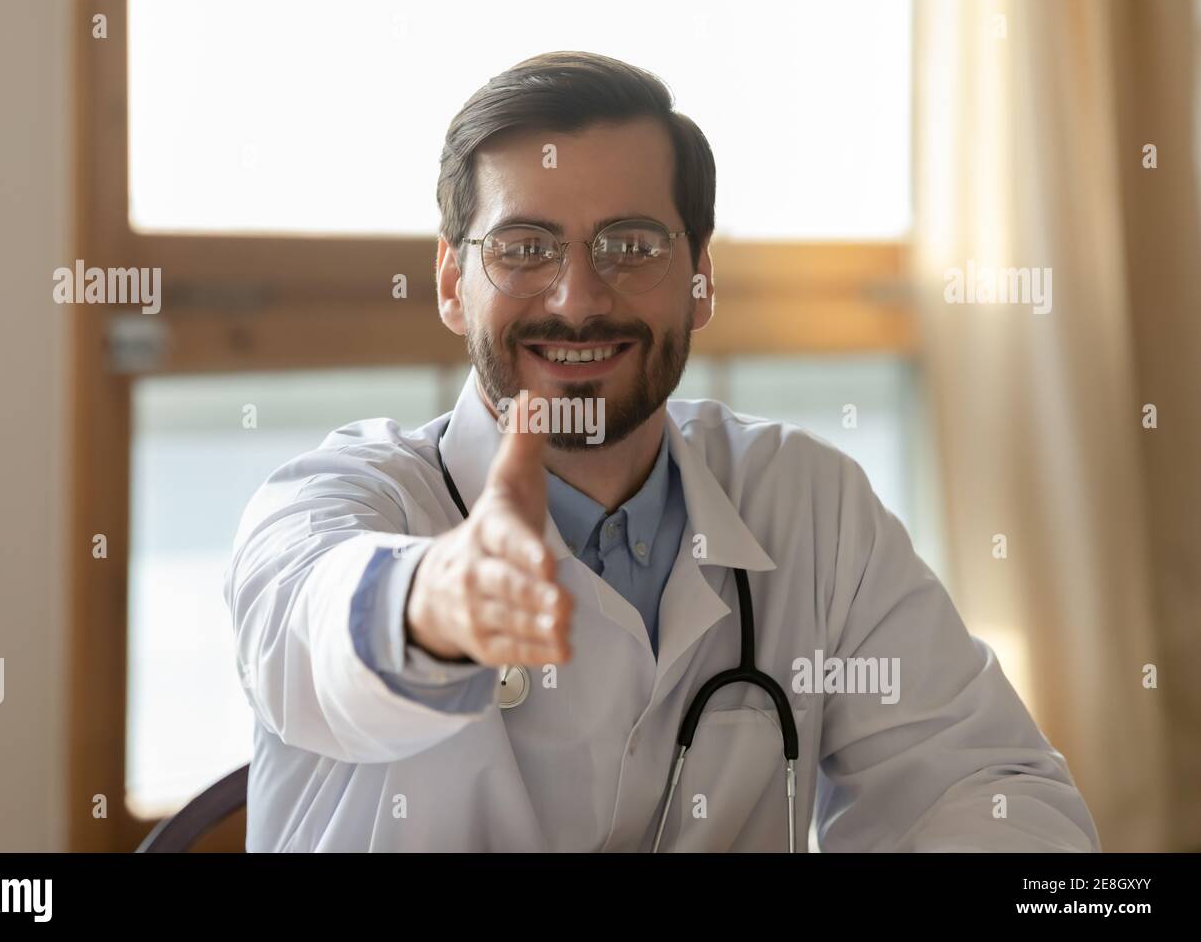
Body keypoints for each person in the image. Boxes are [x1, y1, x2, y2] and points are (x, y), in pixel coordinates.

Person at [223, 51, 1100, 852]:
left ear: (701, 279)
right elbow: (309, 628)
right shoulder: (334, 500)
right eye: (524, 249)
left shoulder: (805, 501)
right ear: (455, 283)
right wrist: (437, 608)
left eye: (631, 246)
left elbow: (983, 785)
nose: (576, 299)